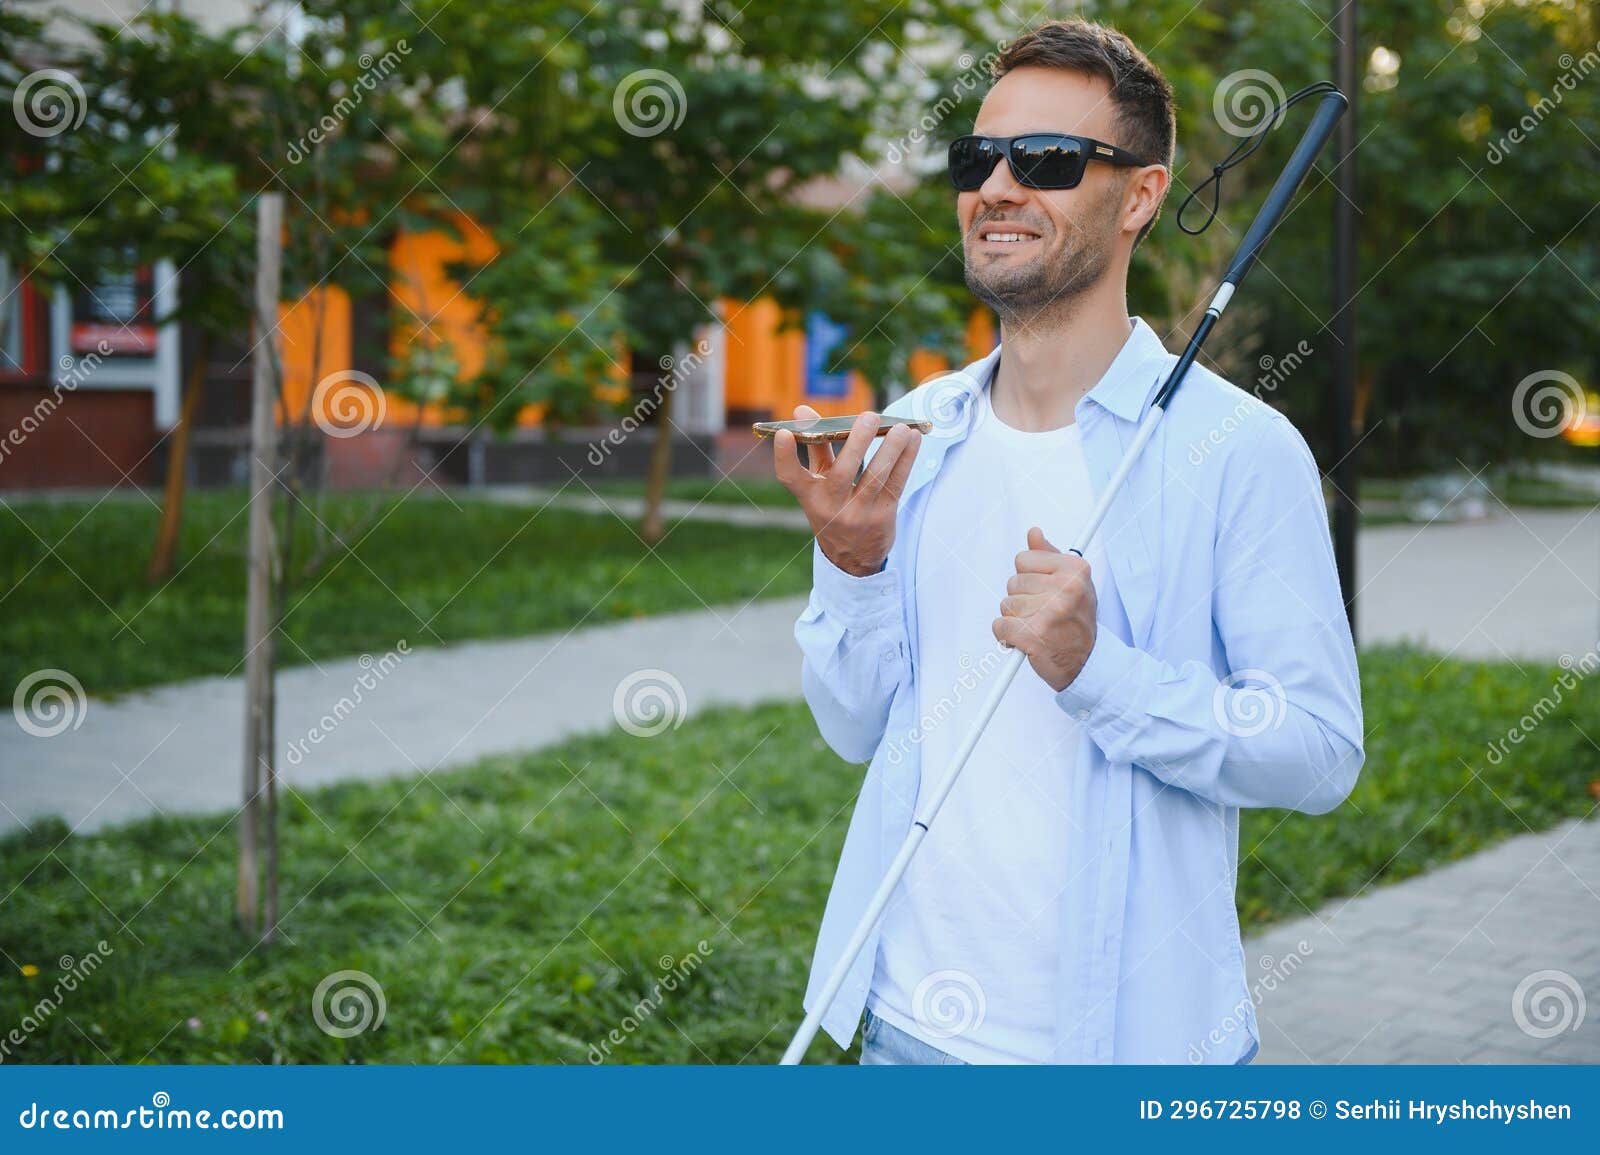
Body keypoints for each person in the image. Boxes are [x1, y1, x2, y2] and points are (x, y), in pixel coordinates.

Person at [770, 17, 1364, 1065]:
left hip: (1131, 1051)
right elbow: (853, 729)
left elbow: (1318, 755)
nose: (997, 187)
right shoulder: (916, 432)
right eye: (977, 158)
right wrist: (855, 570)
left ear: (1140, 195)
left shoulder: (1236, 449)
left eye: (1044, 159)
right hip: (902, 1033)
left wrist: (1099, 673)